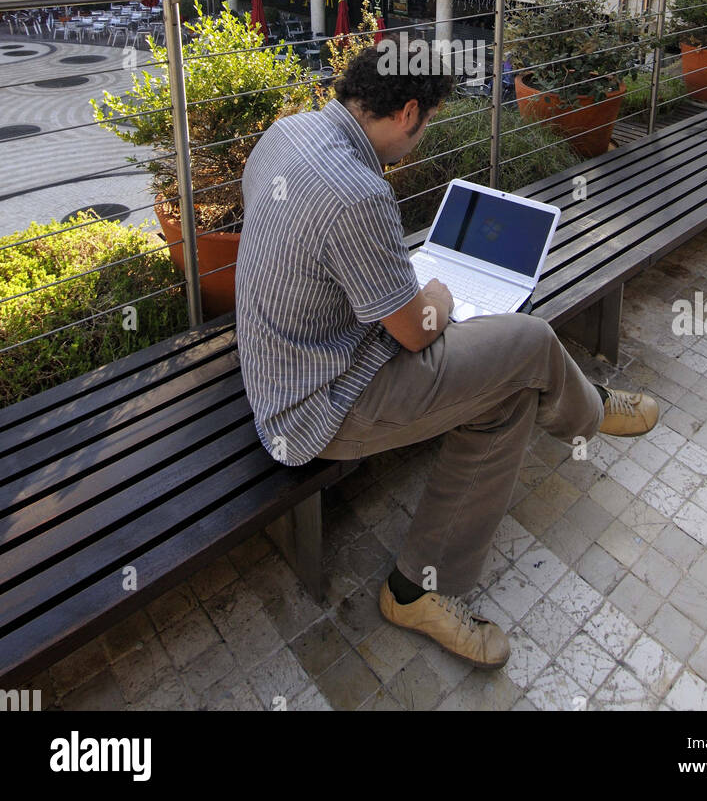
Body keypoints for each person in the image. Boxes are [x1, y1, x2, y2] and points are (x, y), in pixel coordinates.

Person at [235, 47, 660, 670]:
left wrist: (396, 284)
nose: (424, 130)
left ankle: (418, 588)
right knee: (531, 339)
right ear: (409, 112)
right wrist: (438, 290)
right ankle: (587, 410)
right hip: (316, 405)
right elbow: (415, 331)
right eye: (429, 118)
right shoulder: (356, 192)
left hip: (285, 358)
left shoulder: (287, 134)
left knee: (510, 393)